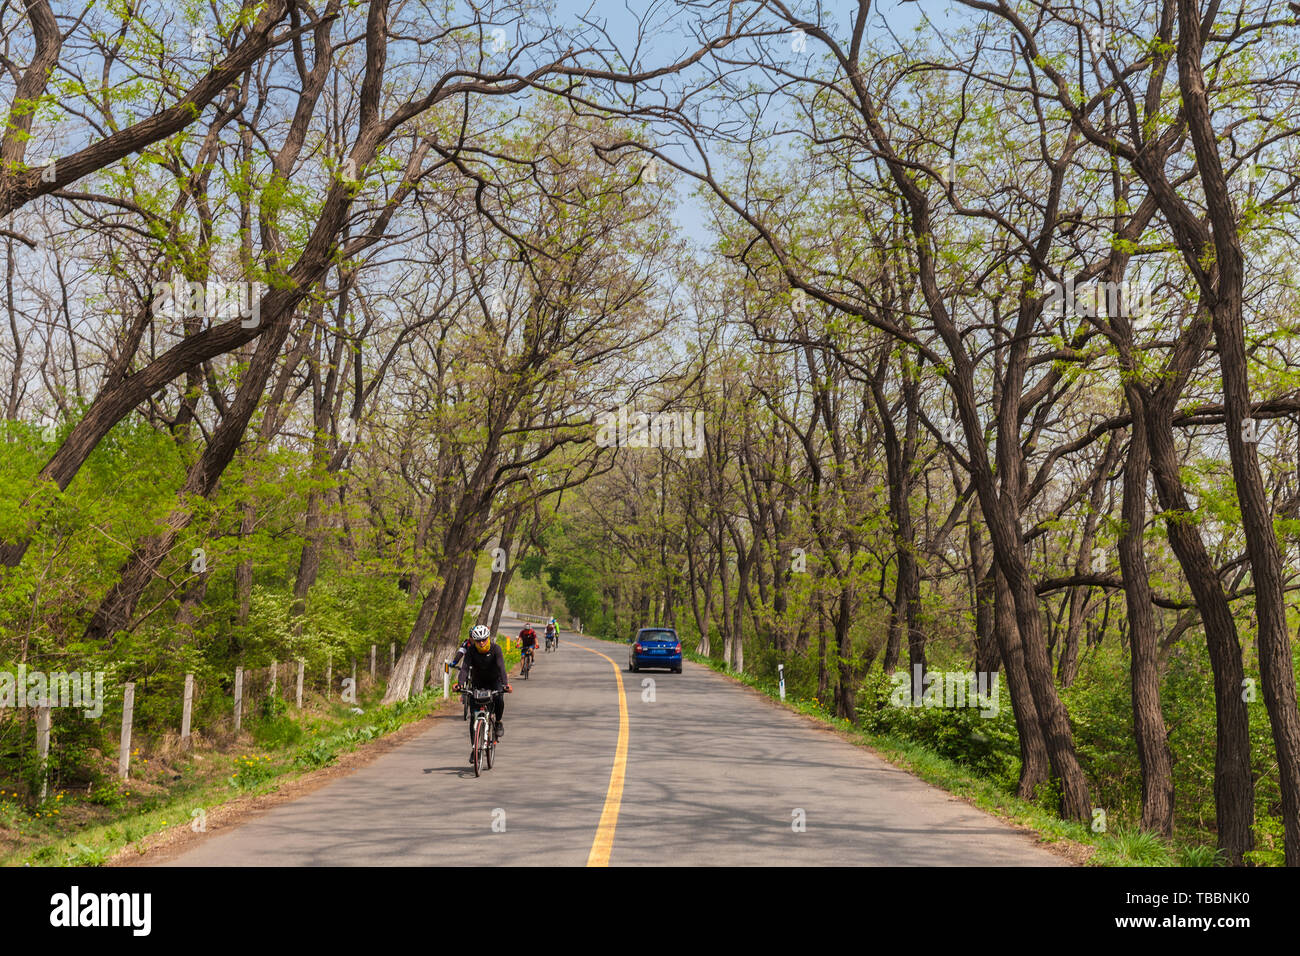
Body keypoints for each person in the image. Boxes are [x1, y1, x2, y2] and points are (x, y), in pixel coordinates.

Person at [453, 625, 511, 753]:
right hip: (478, 682)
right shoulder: (471, 651)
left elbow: (501, 667)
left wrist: (505, 684)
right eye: (478, 640)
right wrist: (460, 683)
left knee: (499, 699)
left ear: (488, 638)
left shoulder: (496, 649)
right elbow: (464, 668)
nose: (481, 642)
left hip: (494, 681)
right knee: (473, 717)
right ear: (474, 640)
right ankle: (474, 749)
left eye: (484, 639)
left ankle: (498, 722)